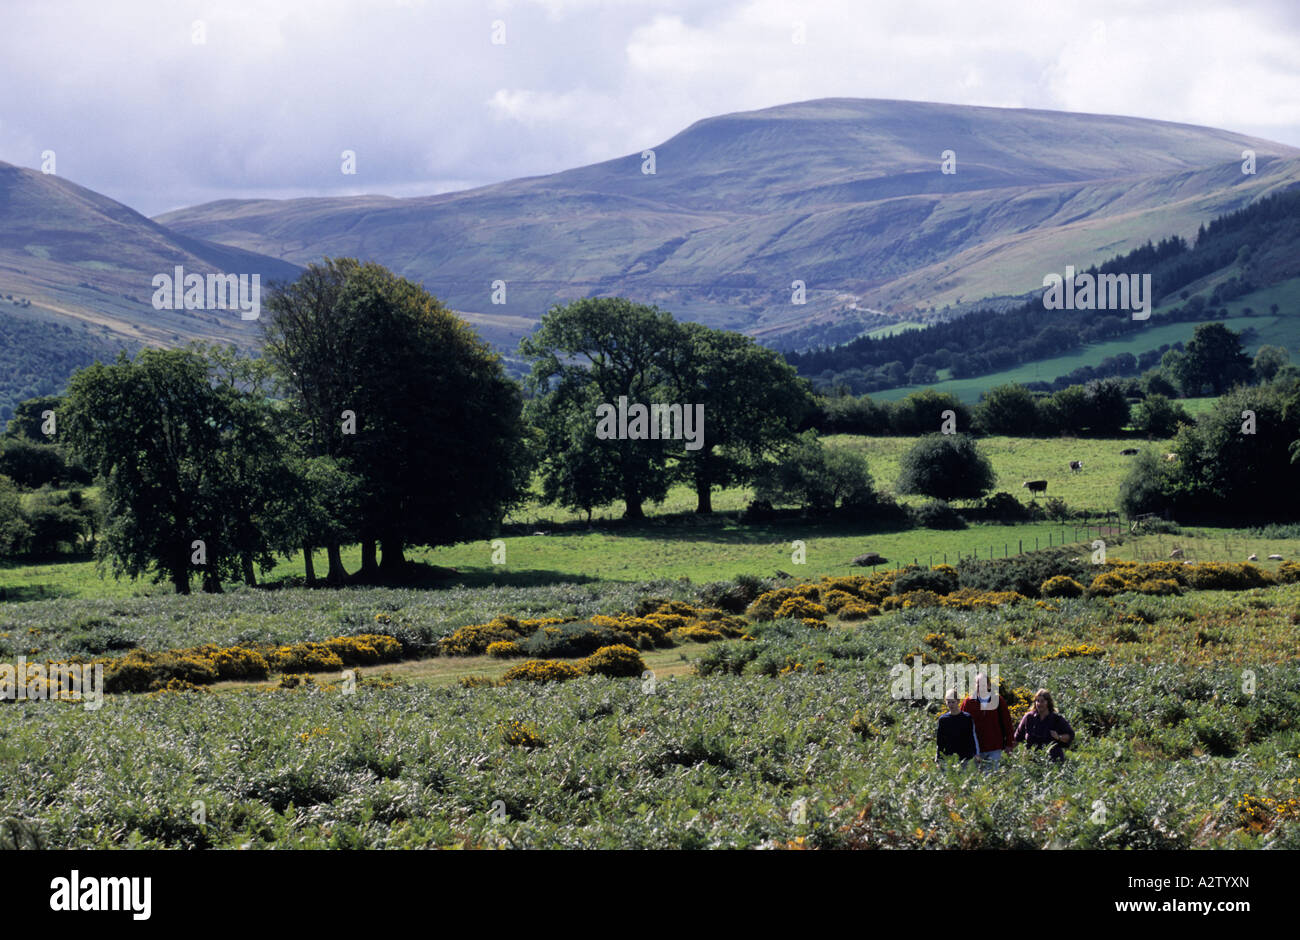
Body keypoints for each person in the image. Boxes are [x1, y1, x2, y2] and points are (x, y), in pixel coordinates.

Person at [961, 672, 1015, 770]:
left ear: (989, 685)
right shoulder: (968, 703)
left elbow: (1007, 724)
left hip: (994, 747)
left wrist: (1009, 744)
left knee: (991, 778)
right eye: (978, 684)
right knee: (976, 780)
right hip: (974, 749)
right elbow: (961, 725)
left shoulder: (998, 700)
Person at [1014, 688, 1074, 762]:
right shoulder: (1029, 718)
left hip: (1052, 761)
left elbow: (1070, 735)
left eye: (1042, 701)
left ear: (1048, 702)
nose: (1039, 704)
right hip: (1030, 762)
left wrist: (1059, 737)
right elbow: (1017, 737)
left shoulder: (1057, 719)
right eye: (1037, 701)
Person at [936, 688, 979, 767]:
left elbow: (972, 737)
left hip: (966, 757)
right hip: (950, 758)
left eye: (953, 702)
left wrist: (976, 753)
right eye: (948, 702)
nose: (951, 705)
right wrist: (939, 759)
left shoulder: (967, 717)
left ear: (958, 702)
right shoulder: (943, 720)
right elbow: (940, 741)